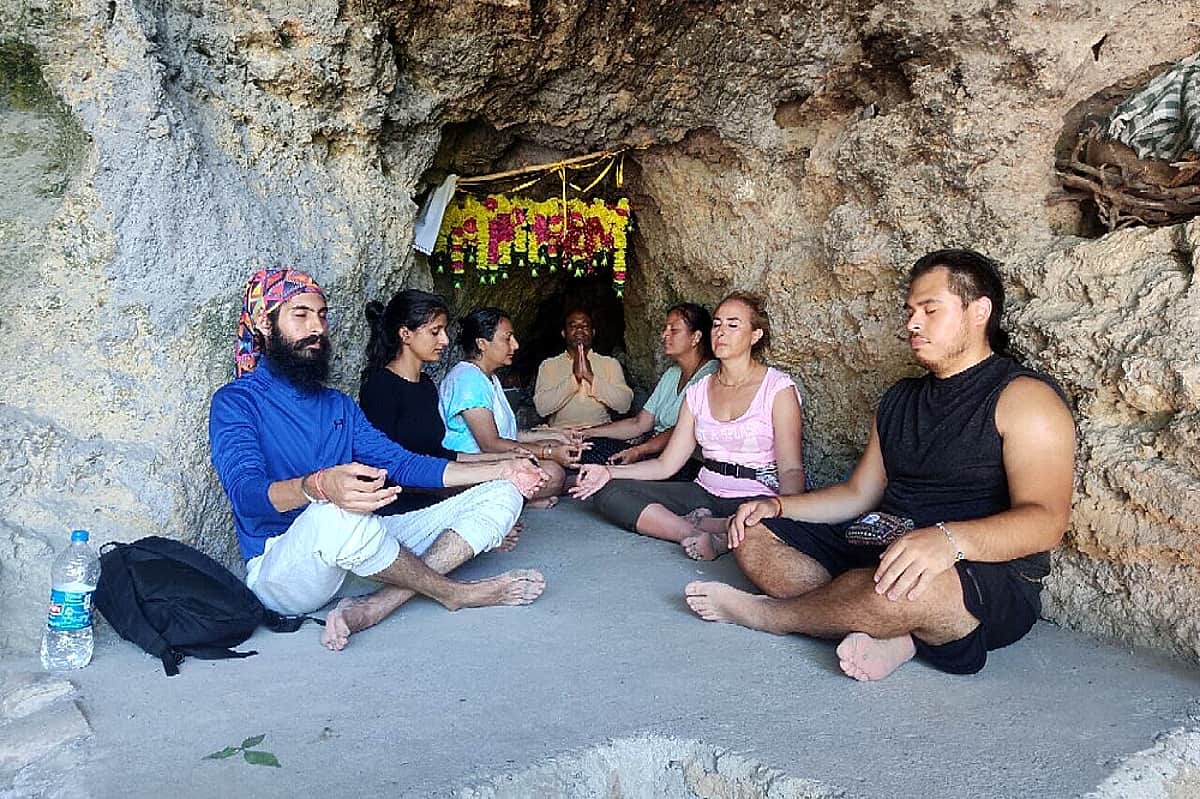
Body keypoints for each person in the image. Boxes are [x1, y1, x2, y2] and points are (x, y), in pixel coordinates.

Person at [684, 249, 1075, 681]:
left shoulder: (1023, 398)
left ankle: (773, 616)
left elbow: (1047, 521)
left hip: (974, 570)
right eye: (910, 310)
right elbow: (858, 495)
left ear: (978, 311)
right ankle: (893, 632)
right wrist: (777, 507)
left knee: (918, 587)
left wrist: (947, 541)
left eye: (930, 310)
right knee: (752, 534)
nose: (912, 323)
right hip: (882, 543)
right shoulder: (900, 399)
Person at [209, 269, 549, 653]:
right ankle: (454, 592)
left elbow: (403, 464)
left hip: (363, 552)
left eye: (322, 315)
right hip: (286, 568)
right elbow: (246, 495)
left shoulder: (337, 405)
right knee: (331, 513)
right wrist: (318, 486)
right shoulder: (235, 402)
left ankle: (378, 603)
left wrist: (503, 468)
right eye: (300, 315)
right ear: (264, 324)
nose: (316, 327)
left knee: (502, 492)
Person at [570, 292, 806, 561]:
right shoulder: (698, 391)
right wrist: (608, 472)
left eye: (733, 325)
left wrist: (784, 510)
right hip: (703, 492)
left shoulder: (777, 388)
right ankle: (693, 532)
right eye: (716, 324)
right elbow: (666, 465)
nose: (721, 332)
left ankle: (716, 528)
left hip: (755, 496)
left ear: (755, 335)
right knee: (610, 492)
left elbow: (791, 469)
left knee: (765, 521)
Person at [358, 289, 525, 525]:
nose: (445, 341)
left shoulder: (426, 386)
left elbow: (439, 453)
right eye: (435, 332)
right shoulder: (380, 388)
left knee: (507, 488)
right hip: (399, 505)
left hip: (433, 491)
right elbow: (384, 471)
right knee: (499, 496)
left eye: (444, 331)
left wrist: (507, 458)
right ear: (405, 334)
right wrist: (458, 492)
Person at [439, 307, 585, 508]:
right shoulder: (467, 379)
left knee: (554, 465)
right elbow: (490, 444)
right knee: (554, 474)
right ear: (482, 343)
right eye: (507, 338)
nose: (515, 345)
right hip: (469, 468)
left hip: (493, 458)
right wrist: (548, 452)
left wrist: (555, 437)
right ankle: (510, 502)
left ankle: (520, 500)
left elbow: (508, 434)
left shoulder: (489, 378)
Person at [580, 303, 718, 480]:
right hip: (651, 450)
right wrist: (589, 432)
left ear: (696, 337)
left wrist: (640, 450)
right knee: (589, 445)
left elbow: (681, 430)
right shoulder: (672, 374)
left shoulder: (711, 374)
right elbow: (640, 423)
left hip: (683, 462)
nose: (664, 335)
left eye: (673, 330)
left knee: (612, 475)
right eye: (665, 328)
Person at [533, 308, 634, 463]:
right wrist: (575, 379)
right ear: (563, 333)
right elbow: (542, 407)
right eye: (573, 326)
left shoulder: (609, 364)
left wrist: (590, 377)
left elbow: (624, 404)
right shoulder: (549, 366)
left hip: (599, 434)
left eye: (585, 325)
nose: (579, 329)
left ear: (593, 332)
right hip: (559, 436)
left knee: (614, 462)